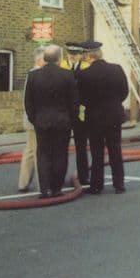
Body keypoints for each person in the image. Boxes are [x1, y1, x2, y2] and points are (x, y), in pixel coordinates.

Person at [24, 44, 78, 198]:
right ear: (60, 58)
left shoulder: (33, 76)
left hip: (41, 121)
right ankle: (57, 187)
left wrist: (34, 119)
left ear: (45, 58)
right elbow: (74, 101)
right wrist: (71, 120)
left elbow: (28, 102)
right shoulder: (68, 75)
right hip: (63, 121)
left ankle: (45, 188)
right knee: (60, 153)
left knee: (44, 154)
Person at [77, 41, 128, 194]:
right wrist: (114, 103)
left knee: (96, 152)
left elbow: (81, 98)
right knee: (115, 149)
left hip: (94, 117)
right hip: (114, 115)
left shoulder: (84, 75)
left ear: (87, 56)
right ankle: (119, 184)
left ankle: (97, 185)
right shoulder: (117, 69)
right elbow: (124, 92)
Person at [62, 42, 91, 186]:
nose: (73, 57)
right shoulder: (60, 66)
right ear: (67, 53)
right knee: (62, 147)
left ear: (80, 55)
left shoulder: (86, 67)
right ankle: (60, 177)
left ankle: (83, 176)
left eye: (76, 54)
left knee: (81, 146)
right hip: (64, 112)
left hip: (81, 113)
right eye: (71, 54)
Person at [18, 46, 46, 193]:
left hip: (31, 119)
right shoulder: (36, 74)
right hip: (35, 120)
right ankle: (42, 185)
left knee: (29, 151)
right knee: (37, 152)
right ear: (39, 60)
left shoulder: (32, 73)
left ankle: (23, 183)